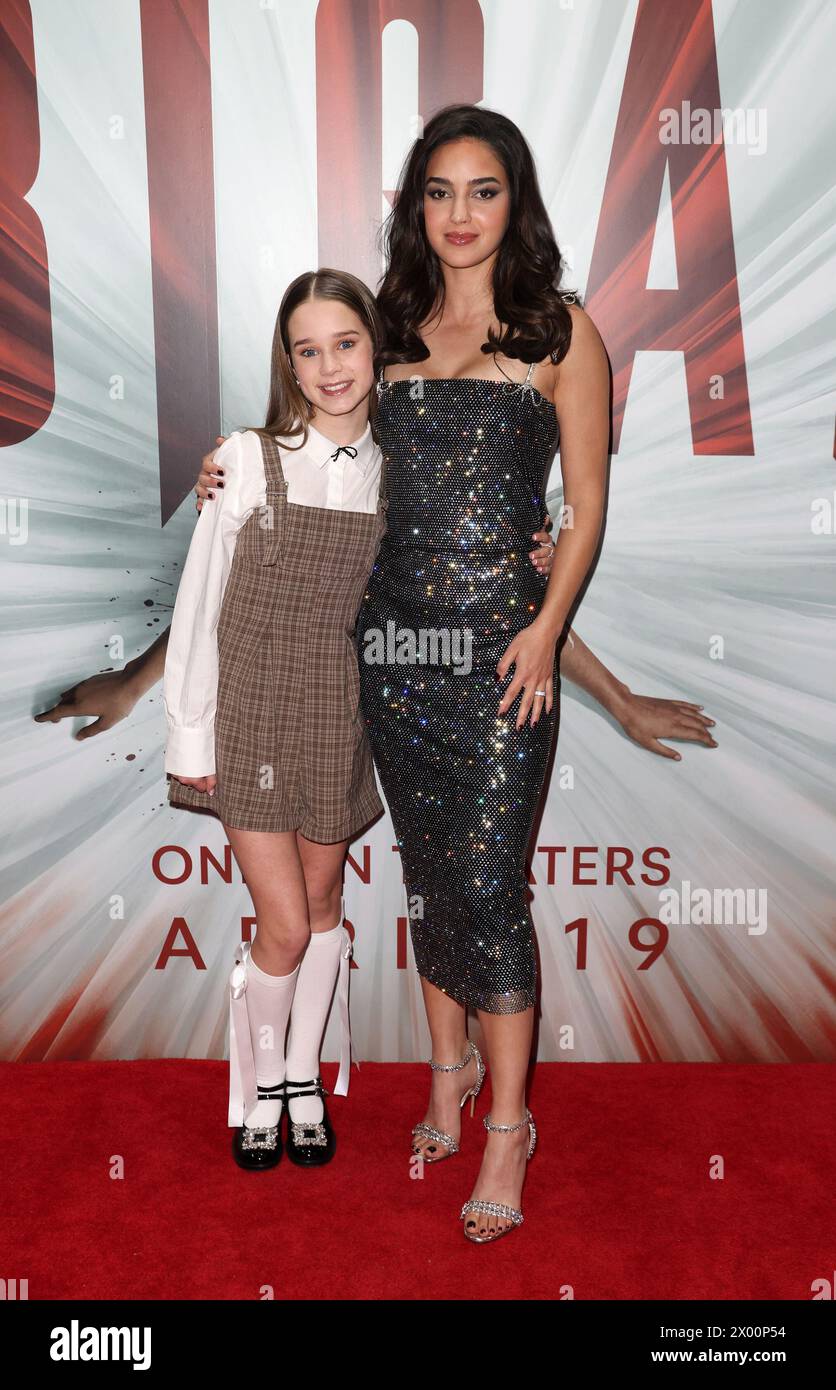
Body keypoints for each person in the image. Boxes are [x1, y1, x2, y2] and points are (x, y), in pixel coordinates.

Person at [357, 102, 611, 1245]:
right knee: (426, 877)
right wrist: (231, 473)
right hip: (397, 647)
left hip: (502, 653)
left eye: (483, 191)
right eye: (439, 192)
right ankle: (445, 1076)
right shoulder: (388, 325)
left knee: (486, 885)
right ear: (417, 207)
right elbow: (314, 442)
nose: (459, 215)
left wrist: (546, 626)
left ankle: (507, 1125)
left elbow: (588, 505)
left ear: (516, 202)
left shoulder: (559, 330)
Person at [162, 268, 391, 1171]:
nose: (330, 365)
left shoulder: (395, 467)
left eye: (345, 342)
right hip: (250, 712)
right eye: (308, 349)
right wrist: (191, 735)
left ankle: (302, 1080)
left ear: (375, 347)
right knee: (285, 925)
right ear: (288, 364)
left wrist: (540, 539)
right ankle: (256, 1085)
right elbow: (198, 601)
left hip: (341, 710)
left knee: (327, 905)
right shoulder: (247, 458)